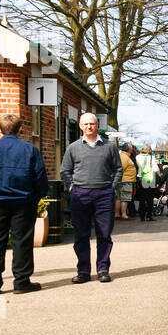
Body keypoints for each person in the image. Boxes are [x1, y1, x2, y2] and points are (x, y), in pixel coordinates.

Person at [0, 114, 50, 295]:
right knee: (22, 242)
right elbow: (40, 178)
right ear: (20, 129)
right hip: (23, 202)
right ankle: (21, 282)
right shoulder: (29, 149)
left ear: (0, 128)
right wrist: (35, 198)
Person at [60, 113, 122, 283]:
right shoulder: (73, 148)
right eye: (85, 124)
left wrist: (112, 186)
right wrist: (72, 187)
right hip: (80, 194)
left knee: (104, 234)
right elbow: (65, 171)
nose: (89, 127)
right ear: (80, 126)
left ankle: (103, 269)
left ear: (97, 125)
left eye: (92, 124)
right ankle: (83, 271)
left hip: (104, 194)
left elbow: (118, 169)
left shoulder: (109, 147)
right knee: (81, 234)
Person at [134, 144, 159, 222]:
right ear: (149, 150)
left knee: (142, 198)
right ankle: (149, 216)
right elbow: (156, 169)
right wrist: (159, 176)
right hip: (149, 178)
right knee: (150, 198)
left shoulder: (137, 157)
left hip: (140, 178)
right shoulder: (152, 157)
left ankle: (142, 216)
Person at [116, 142, 137, 220]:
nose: (132, 149)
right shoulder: (124, 157)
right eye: (131, 148)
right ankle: (123, 214)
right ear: (129, 149)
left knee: (118, 198)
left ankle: (117, 213)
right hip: (125, 181)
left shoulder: (122, 155)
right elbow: (121, 168)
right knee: (125, 199)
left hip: (122, 180)